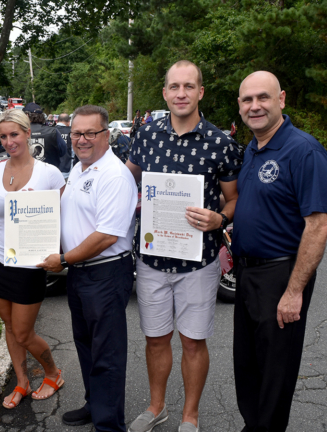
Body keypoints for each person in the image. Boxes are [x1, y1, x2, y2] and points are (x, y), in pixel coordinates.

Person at [124, 60, 242, 432]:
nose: (181, 93)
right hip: (152, 259)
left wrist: (220, 219)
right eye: (174, 87)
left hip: (199, 262)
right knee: (156, 339)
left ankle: (189, 416)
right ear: (164, 92)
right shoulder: (144, 136)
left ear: (200, 92)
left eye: (189, 87)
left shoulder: (221, 143)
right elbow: (124, 184)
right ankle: (157, 406)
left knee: (193, 342)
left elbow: (235, 200)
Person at [232, 71, 327, 432]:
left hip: (280, 275)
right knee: (248, 363)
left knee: (276, 369)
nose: (255, 106)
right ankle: (253, 425)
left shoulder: (304, 150)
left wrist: (294, 291)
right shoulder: (252, 148)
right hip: (246, 274)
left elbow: (318, 225)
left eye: (263, 97)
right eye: (247, 99)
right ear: (240, 106)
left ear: (282, 100)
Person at [39, 105, 137, 431]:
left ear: (106, 135)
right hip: (81, 273)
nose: (81, 139)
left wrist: (64, 259)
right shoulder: (81, 168)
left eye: (90, 133)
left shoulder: (115, 175)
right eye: (76, 133)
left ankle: (109, 425)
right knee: (86, 343)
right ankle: (95, 405)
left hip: (105, 273)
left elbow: (107, 235)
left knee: (107, 354)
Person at [0, 109, 66, 409]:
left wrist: (60, 255)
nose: (9, 141)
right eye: (3, 136)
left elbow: (64, 218)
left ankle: (53, 373)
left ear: (28, 133)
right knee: (10, 327)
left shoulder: (49, 174)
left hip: (31, 264)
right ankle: (22, 381)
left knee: (24, 331)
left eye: (14, 134)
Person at [23, 102, 67, 169]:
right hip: (50, 173)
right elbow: (63, 151)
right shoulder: (53, 131)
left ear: (27, 115)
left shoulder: (21, 132)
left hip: (28, 173)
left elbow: (11, 153)